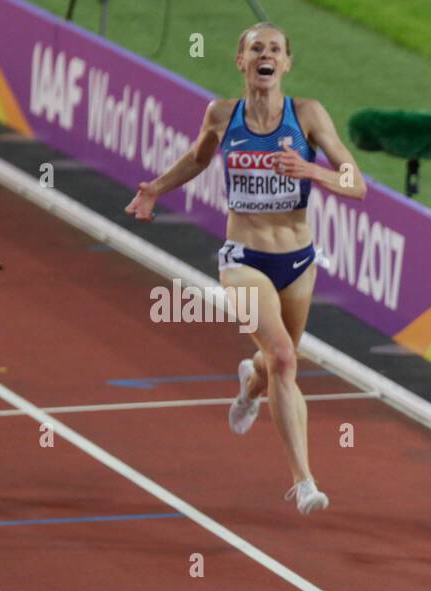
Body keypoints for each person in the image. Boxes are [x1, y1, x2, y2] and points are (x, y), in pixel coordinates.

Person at [125, 22, 367, 514]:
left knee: (273, 364)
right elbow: (197, 159)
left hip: (299, 261)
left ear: (286, 64)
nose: (266, 55)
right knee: (284, 360)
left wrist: (312, 171)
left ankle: (248, 385)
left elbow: (355, 182)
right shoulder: (220, 114)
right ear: (241, 61)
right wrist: (155, 188)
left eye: (275, 49)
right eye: (257, 48)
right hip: (244, 259)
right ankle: (303, 482)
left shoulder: (308, 115)